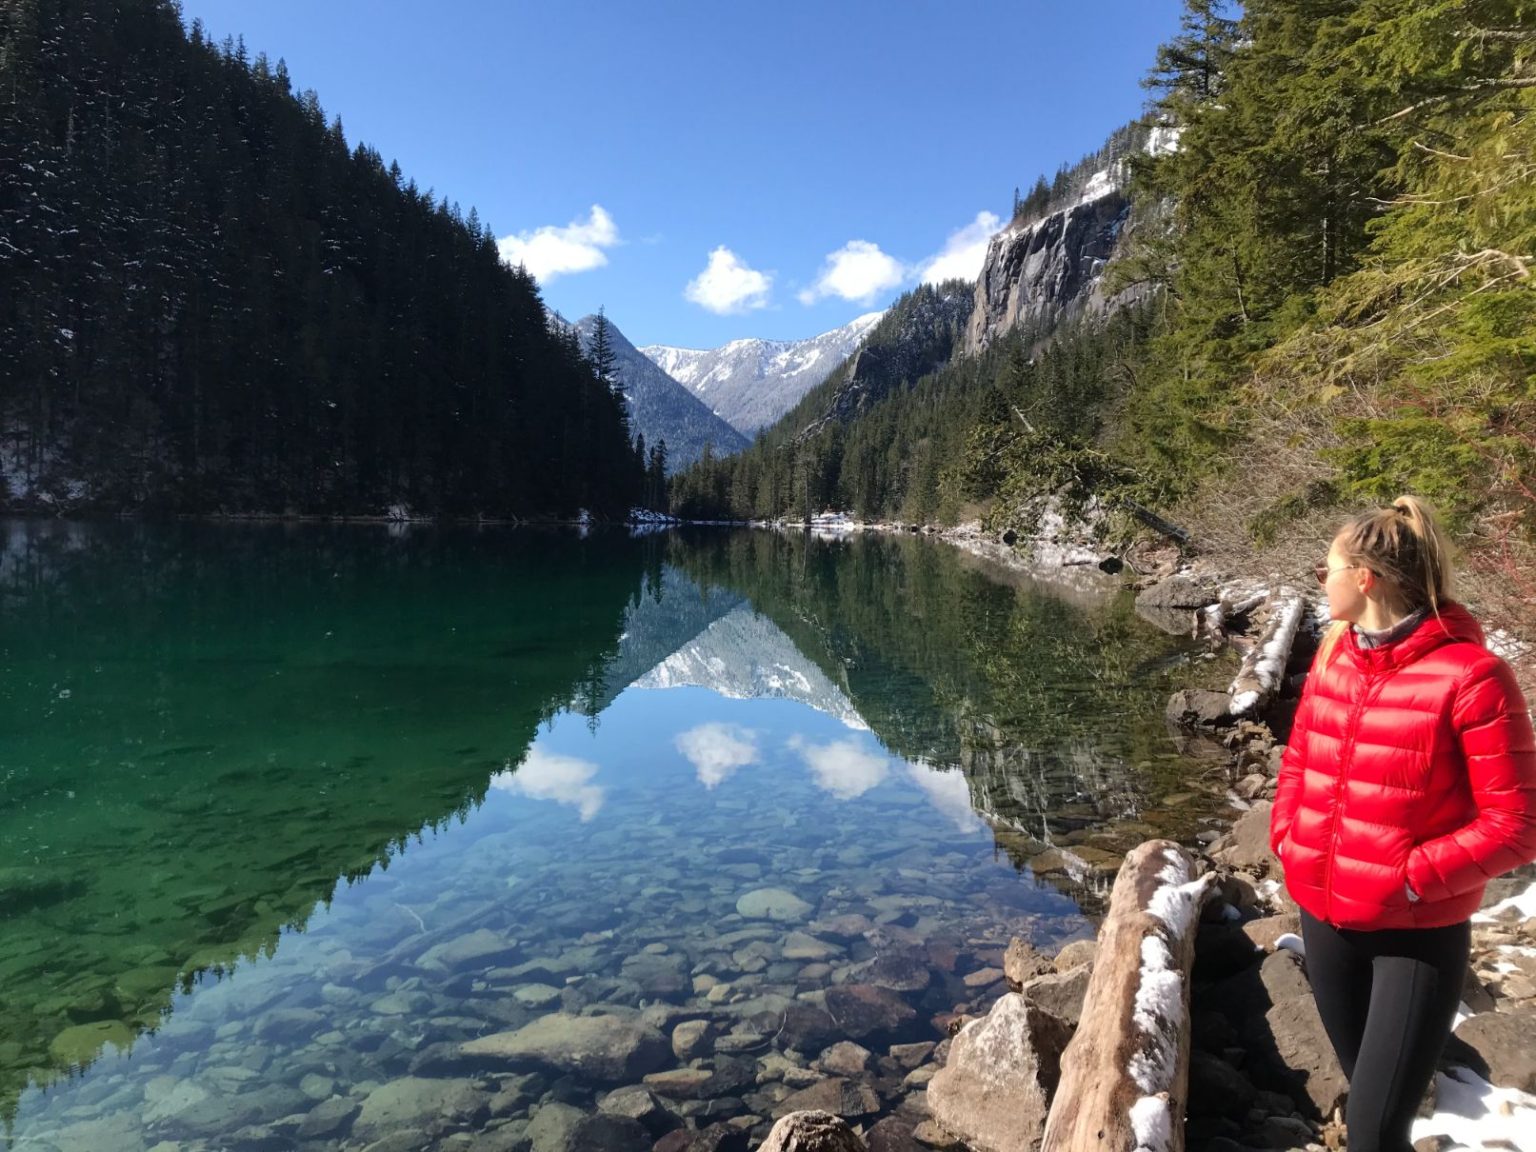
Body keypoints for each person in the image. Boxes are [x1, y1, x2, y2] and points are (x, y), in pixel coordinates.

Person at [1269, 495, 1536, 1152]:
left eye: (1325, 568)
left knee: (1374, 1128)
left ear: (1366, 578)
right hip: (1325, 923)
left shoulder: (1473, 677)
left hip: (1414, 936)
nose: (1319, 580)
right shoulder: (1333, 657)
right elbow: (1298, 764)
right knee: (1369, 1093)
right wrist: (1288, 840)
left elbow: (1517, 824)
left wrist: (1409, 879)